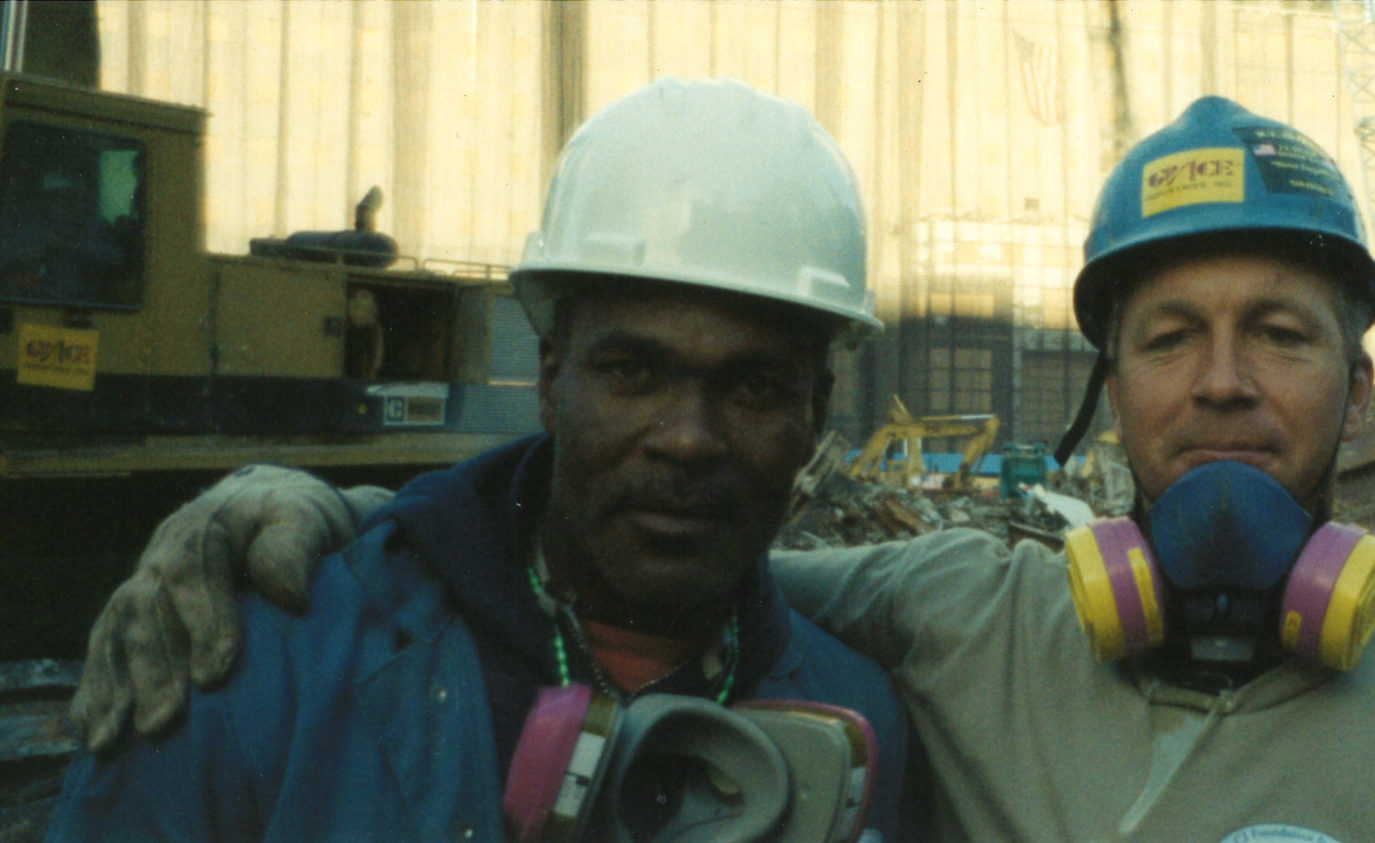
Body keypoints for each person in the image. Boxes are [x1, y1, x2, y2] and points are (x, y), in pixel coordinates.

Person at [73, 96, 1375, 841]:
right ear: (1112, 389)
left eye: (1277, 332)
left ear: (1361, 382)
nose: (1218, 380)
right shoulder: (955, 626)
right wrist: (323, 507)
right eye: (1166, 336)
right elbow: (614, 544)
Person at [48, 77, 910, 842]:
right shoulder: (252, 665)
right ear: (549, 376)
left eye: (754, 387)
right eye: (632, 371)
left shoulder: (861, 724)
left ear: (816, 416)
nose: (687, 436)